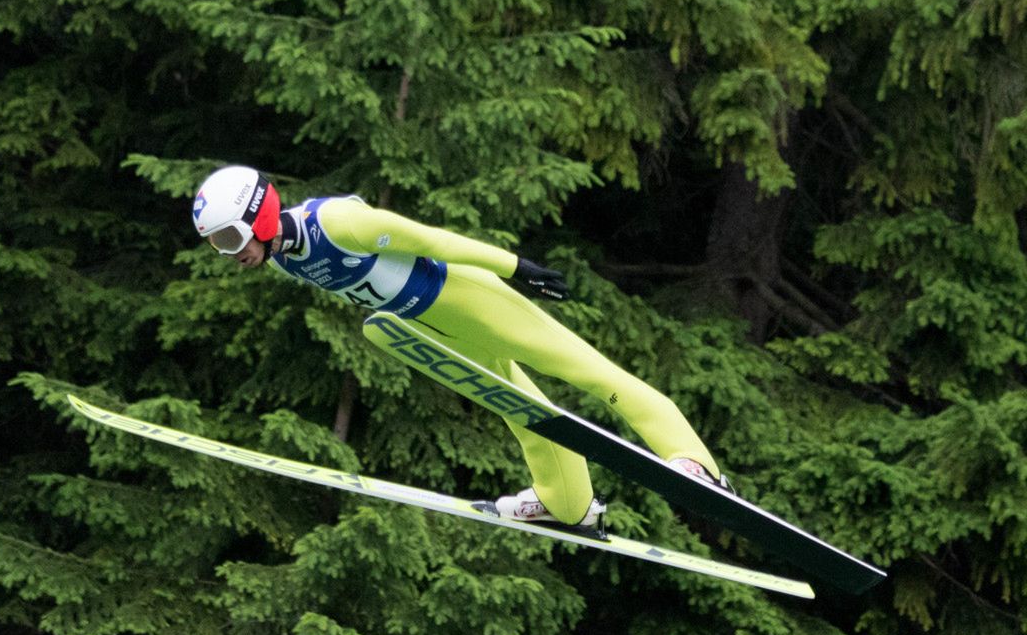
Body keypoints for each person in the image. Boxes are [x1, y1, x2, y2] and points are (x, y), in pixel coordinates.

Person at [191, 165, 730, 528]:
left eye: (230, 238)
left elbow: (432, 241)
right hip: (431, 327)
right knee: (519, 408)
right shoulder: (283, 259)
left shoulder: (337, 223)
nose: (230, 254)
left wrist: (516, 268)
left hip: (468, 299)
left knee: (587, 371)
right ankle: (568, 503)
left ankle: (695, 463)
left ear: (260, 216)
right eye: (218, 244)